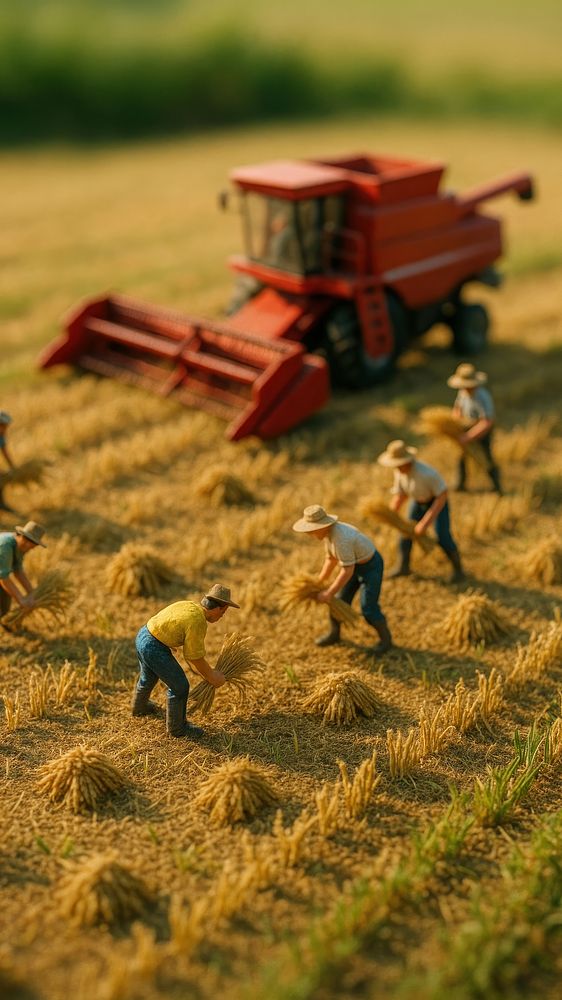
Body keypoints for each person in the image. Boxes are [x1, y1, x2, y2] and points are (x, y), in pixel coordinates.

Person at [132, 584, 240, 739]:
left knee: (148, 677)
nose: (221, 616)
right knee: (180, 687)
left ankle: (139, 707)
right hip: (154, 647)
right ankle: (178, 728)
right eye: (223, 612)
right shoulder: (198, 621)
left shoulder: (189, 605)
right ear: (218, 608)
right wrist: (212, 676)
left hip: (144, 634)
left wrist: (167, 639)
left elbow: (168, 620)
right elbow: (194, 657)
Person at [292, 504, 392, 654]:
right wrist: (320, 580)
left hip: (371, 568)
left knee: (368, 608)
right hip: (355, 565)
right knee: (339, 601)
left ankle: (386, 641)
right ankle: (334, 634)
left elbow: (347, 571)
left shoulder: (341, 539)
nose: (309, 534)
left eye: (311, 530)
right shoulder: (328, 534)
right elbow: (330, 559)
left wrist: (329, 593)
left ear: (322, 526)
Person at [377, 440, 464, 583]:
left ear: (407, 461)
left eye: (399, 464)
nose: (397, 467)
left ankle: (458, 570)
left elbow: (442, 496)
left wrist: (424, 523)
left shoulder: (427, 474)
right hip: (417, 501)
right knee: (405, 533)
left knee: (443, 536)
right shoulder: (399, 472)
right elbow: (401, 494)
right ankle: (403, 567)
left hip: (435, 502)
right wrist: (391, 514)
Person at [447, 363, 502, 495]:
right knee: (461, 458)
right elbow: (457, 409)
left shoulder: (483, 396)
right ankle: (460, 484)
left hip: (481, 433)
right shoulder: (462, 393)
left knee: (485, 458)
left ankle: (497, 487)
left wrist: (468, 437)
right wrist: (456, 423)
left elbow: (487, 422)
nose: (466, 388)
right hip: (466, 427)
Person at [0, 520, 45, 621]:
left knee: (5, 604)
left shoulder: (20, 547)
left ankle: (6, 622)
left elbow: (18, 571)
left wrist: (33, 593)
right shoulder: (5, 546)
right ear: (20, 535)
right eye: (28, 540)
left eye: (34, 543)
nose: (30, 545)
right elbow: (3, 578)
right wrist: (21, 600)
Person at [0, 411, 15, 512]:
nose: (5, 430)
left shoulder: (1, 437)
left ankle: (1, 503)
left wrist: (13, 467)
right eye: (4, 427)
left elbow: (5, 452)